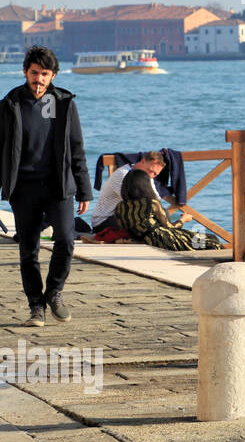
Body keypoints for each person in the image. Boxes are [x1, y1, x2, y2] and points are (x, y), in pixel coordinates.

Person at [0, 46, 93, 327]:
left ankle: (54, 292)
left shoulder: (63, 103)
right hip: (23, 188)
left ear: (53, 76)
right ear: (25, 72)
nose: (38, 79)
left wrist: (85, 189)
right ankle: (35, 306)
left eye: (44, 74)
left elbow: (76, 148)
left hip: (58, 186)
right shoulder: (10, 104)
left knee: (66, 238)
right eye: (34, 73)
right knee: (28, 249)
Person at [111, 169, 216, 251]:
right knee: (211, 240)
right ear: (145, 185)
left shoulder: (120, 207)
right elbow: (170, 228)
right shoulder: (151, 203)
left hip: (142, 240)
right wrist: (183, 220)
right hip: (163, 240)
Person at [91, 151, 186, 233]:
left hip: (124, 216)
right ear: (143, 161)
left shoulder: (147, 177)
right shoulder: (124, 174)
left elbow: (156, 201)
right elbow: (137, 203)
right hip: (104, 221)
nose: (152, 175)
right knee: (148, 219)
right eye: (151, 171)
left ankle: (167, 233)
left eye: (155, 174)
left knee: (160, 212)